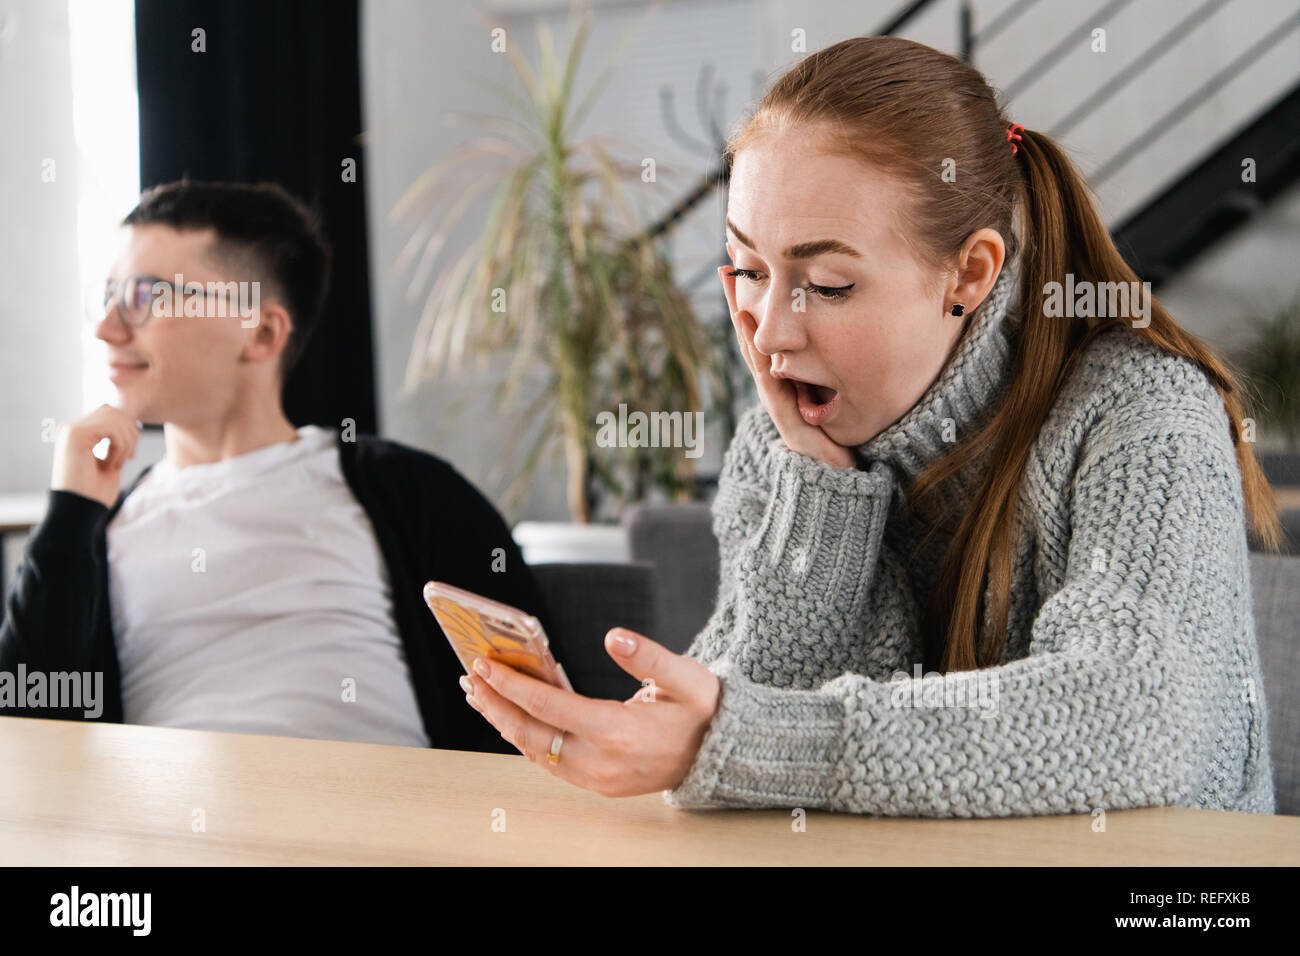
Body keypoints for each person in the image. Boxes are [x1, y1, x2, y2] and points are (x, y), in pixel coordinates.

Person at [456, 35, 1282, 816]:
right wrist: (822, 497)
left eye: (827, 283)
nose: (772, 331)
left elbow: (1136, 718)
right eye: (748, 270)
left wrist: (743, 739)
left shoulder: (1143, 419)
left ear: (969, 273)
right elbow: (744, 757)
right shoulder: (786, 444)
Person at [0, 179, 549, 754]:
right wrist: (68, 516)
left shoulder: (409, 492)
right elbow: (24, 737)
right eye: (108, 297)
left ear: (260, 333)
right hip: (167, 832)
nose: (107, 329)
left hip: (380, 826)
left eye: (146, 297)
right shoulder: (97, 527)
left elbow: (544, 722)